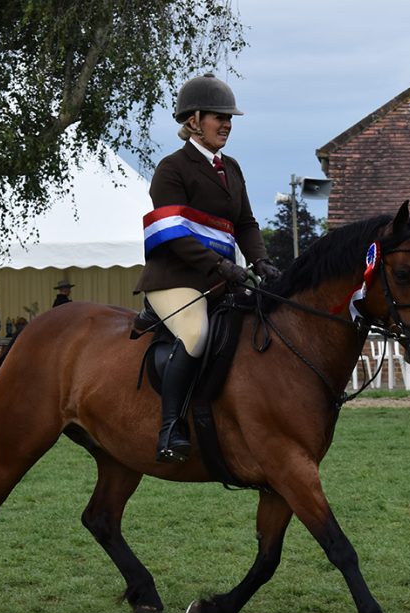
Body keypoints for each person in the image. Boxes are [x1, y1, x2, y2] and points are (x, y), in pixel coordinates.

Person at [135, 72, 278, 463]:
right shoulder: (171, 168)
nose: (227, 124)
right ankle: (170, 429)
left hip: (220, 280)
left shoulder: (231, 167)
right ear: (194, 120)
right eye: (219, 116)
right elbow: (173, 235)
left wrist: (261, 260)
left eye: (229, 118)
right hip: (174, 279)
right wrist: (221, 265)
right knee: (196, 334)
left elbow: (245, 223)